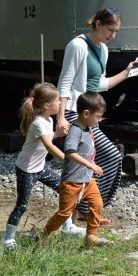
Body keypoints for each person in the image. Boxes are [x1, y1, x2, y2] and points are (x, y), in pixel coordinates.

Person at [56, 8, 138, 228]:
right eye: (110, 30)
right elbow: (65, 82)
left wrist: (127, 71)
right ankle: (86, 210)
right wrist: (61, 117)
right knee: (110, 156)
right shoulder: (78, 45)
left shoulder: (102, 49)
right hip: (76, 112)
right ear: (98, 24)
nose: (112, 35)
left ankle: (78, 216)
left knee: (86, 164)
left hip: (88, 113)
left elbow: (100, 84)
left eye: (116, 32)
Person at [1, 83, 66, 250]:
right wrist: (68, 159)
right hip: (27, 169)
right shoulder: (38, 123)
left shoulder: (48, 119)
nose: (60, 103)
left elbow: (48, 138)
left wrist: (58, 134)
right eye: (57, 100)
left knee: (65, 189)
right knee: (22, 204)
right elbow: (48, 146)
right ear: (46, 105)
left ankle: (67, 227)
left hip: (40, 167)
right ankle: (8, 239)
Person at [42, 91, 111, 247]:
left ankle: (91, 236)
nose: (99, 120)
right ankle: (44, 235)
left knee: (97, 204)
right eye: (98, 117)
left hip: (88, 180)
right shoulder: (75, 131)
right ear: (86, 113)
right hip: (72, 182)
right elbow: (70, 152)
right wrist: (90, 164)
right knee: (64, 213)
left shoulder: (88, 128)